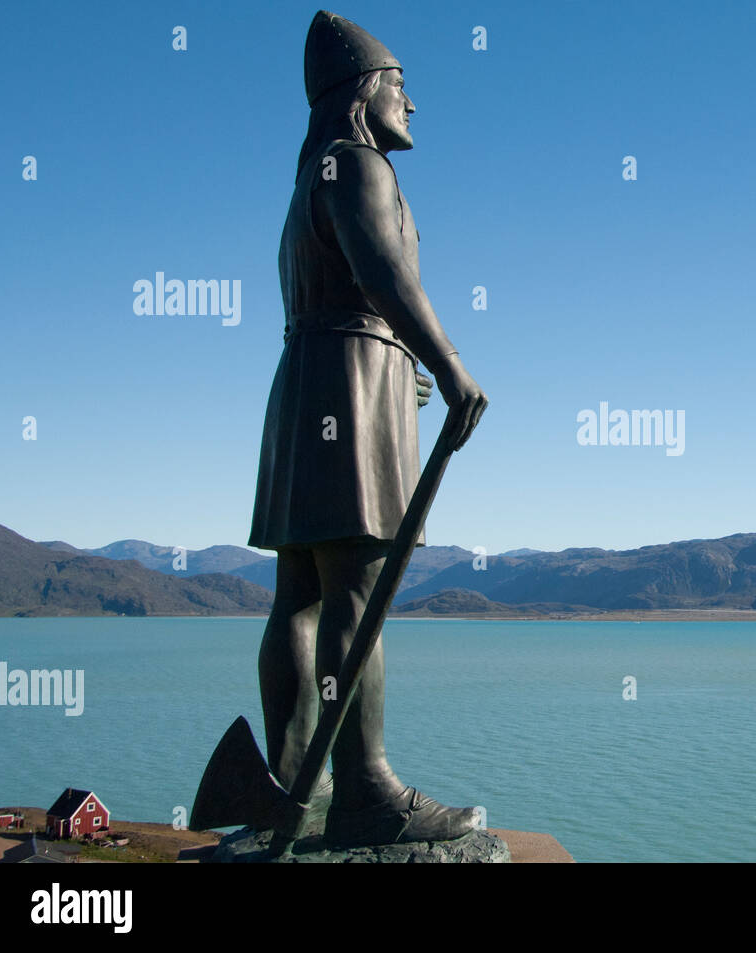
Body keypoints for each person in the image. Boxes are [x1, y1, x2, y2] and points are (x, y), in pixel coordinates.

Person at [248, 10, 488, 847]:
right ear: (360, 95)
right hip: (349, 387)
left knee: (300, 594)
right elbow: (386, 273)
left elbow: (348, 290)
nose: (411, 104)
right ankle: (365, 790)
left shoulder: (308, 175)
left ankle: (291, 785)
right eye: (398, 87)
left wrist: (404, 364)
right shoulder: (359, 166)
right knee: (356, 583)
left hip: (312, 377)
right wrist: (450, 365)